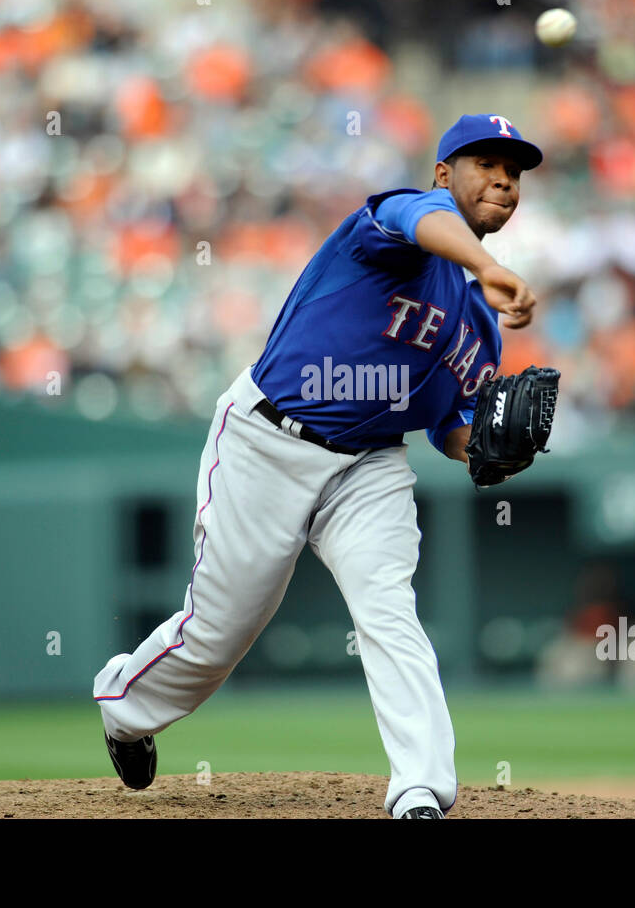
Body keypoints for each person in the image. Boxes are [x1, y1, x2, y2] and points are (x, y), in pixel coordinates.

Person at [93, 113, 543, 819]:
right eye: (486, 163)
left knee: (389, 609)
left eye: (514, 174)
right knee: (220, 633)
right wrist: (486, 265)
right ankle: (126, 704)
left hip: (370, 466)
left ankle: (419, 789)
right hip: (269, 439)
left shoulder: (482, 327)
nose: (503, 181)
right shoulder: (400, 222)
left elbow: (452, 427)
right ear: (443, 174)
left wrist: (489, 452)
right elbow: (420, 220)